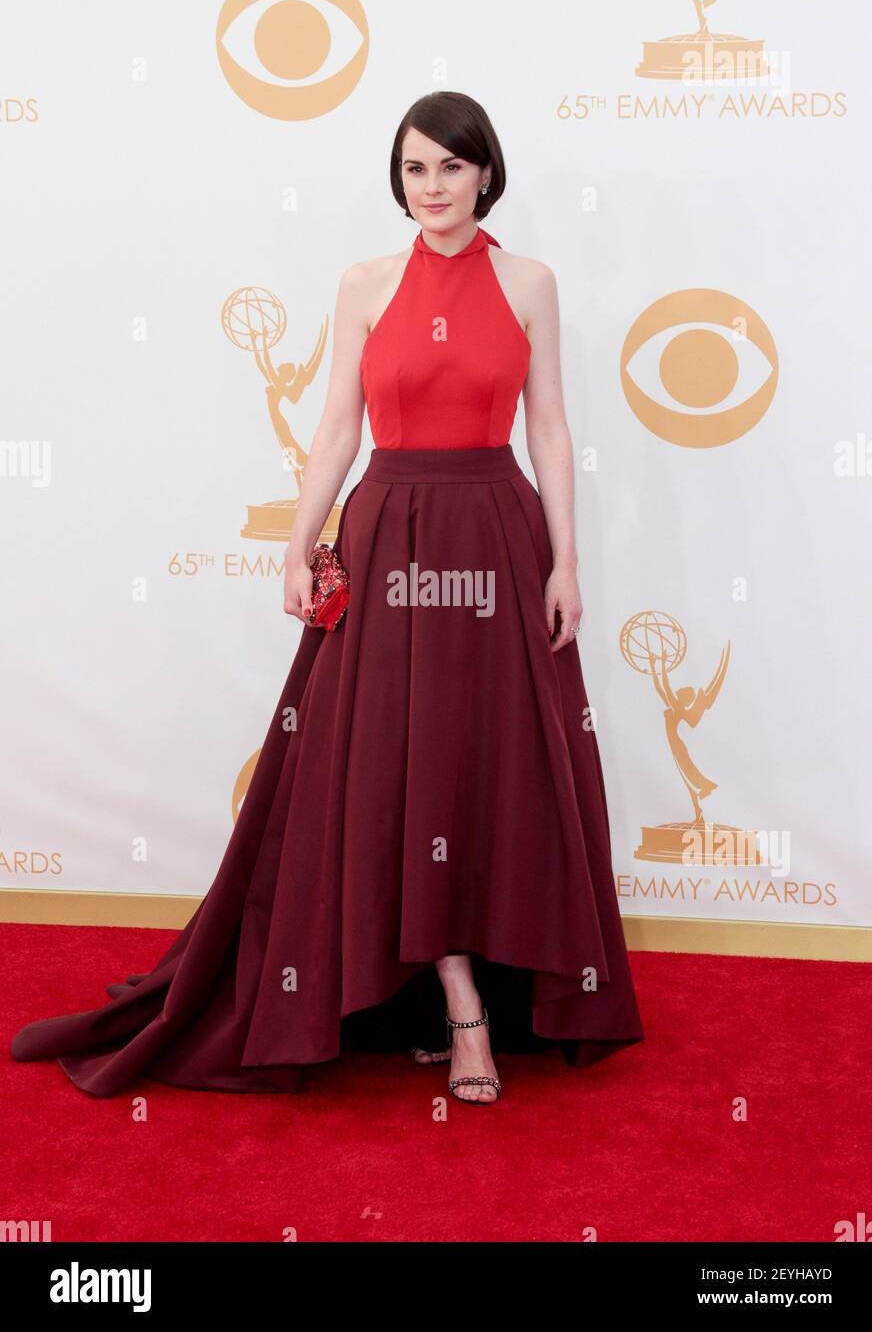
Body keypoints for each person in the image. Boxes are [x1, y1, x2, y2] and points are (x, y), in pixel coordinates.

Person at [11, 91, 644, 1107]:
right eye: (412, 171)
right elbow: (339, 429)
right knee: (394, 771)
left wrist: (567, 563)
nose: (430, 188)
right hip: (387, 537)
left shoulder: (531, 283)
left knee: (484, 773)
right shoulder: (362, 284)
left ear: (487, 172)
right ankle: (455, 1000)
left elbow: (554, 432)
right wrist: (301, 540)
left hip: (496, 538)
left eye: (449, 167)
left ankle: (471, 993)